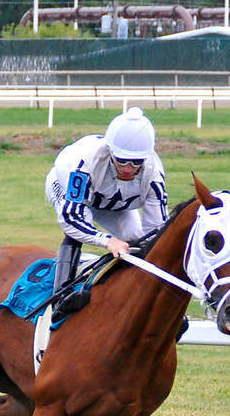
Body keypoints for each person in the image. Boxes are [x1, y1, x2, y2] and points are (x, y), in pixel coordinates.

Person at [44, 106, 169, 315]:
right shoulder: (85, 163)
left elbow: (157, 230)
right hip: (67, 190)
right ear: (111, 152)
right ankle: (61, 296)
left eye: (136, 162)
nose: (129, 169)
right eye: (122, 161)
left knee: (138, 239)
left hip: (114, 203)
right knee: (81, 225)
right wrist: (108, 240)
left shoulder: (154, 174)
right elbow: (70, 217)